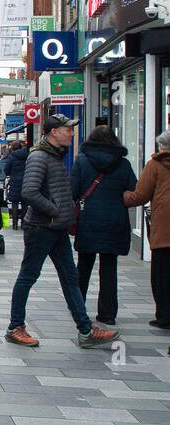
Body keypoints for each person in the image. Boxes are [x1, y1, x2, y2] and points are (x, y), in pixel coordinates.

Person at [6, 115, 120, 348]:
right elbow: (29, 192)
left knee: (70, 279)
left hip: (55, 228)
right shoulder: (39, 156)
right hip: (41, 228)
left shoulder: (54, 155)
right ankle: (15, 327)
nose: (71, 133)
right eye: (67, 129)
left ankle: (86, 330)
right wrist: (55, 210)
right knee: (28, 276)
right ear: (53, 132)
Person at [71, 125, 137, 327]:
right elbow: (133, 189)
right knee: (109, 268)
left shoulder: (82, 161)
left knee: (83, 266)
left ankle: (78, 307)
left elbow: (73, 190)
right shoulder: (123, 164)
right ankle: (107, 313)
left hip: (88, 219)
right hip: (115, 220)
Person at [123, 130, 170, 329]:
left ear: (162, 146)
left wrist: (121, 196)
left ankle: (165, 315)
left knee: (162, 273)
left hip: (164, 226)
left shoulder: (156, 165)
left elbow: (140, 196)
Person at [4, 139, 30, 229]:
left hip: (15, 181)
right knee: (25, 203)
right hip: (27, 180)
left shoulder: (11, 157)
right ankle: (24, 223)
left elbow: (6, 169)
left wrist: (10, 174)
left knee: (14, 202)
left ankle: (15, 224)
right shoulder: (28, 155)